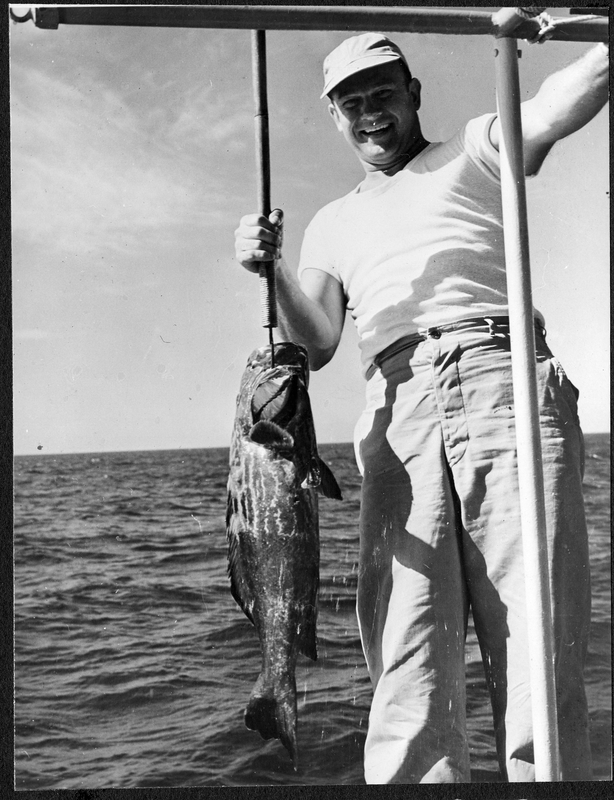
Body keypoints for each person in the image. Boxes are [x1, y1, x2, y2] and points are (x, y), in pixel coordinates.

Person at [234, 32, 608, 784]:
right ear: (335, 116)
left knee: (538, 644)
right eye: (352, 103)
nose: (370, 114)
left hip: (501, 375)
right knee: (407, 660)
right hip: (396, 404)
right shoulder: (333, 222)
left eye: (383, 94)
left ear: (414, 93)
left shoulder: (473, 148)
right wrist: (271, 270)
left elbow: (554, 108)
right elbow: (317, 341)